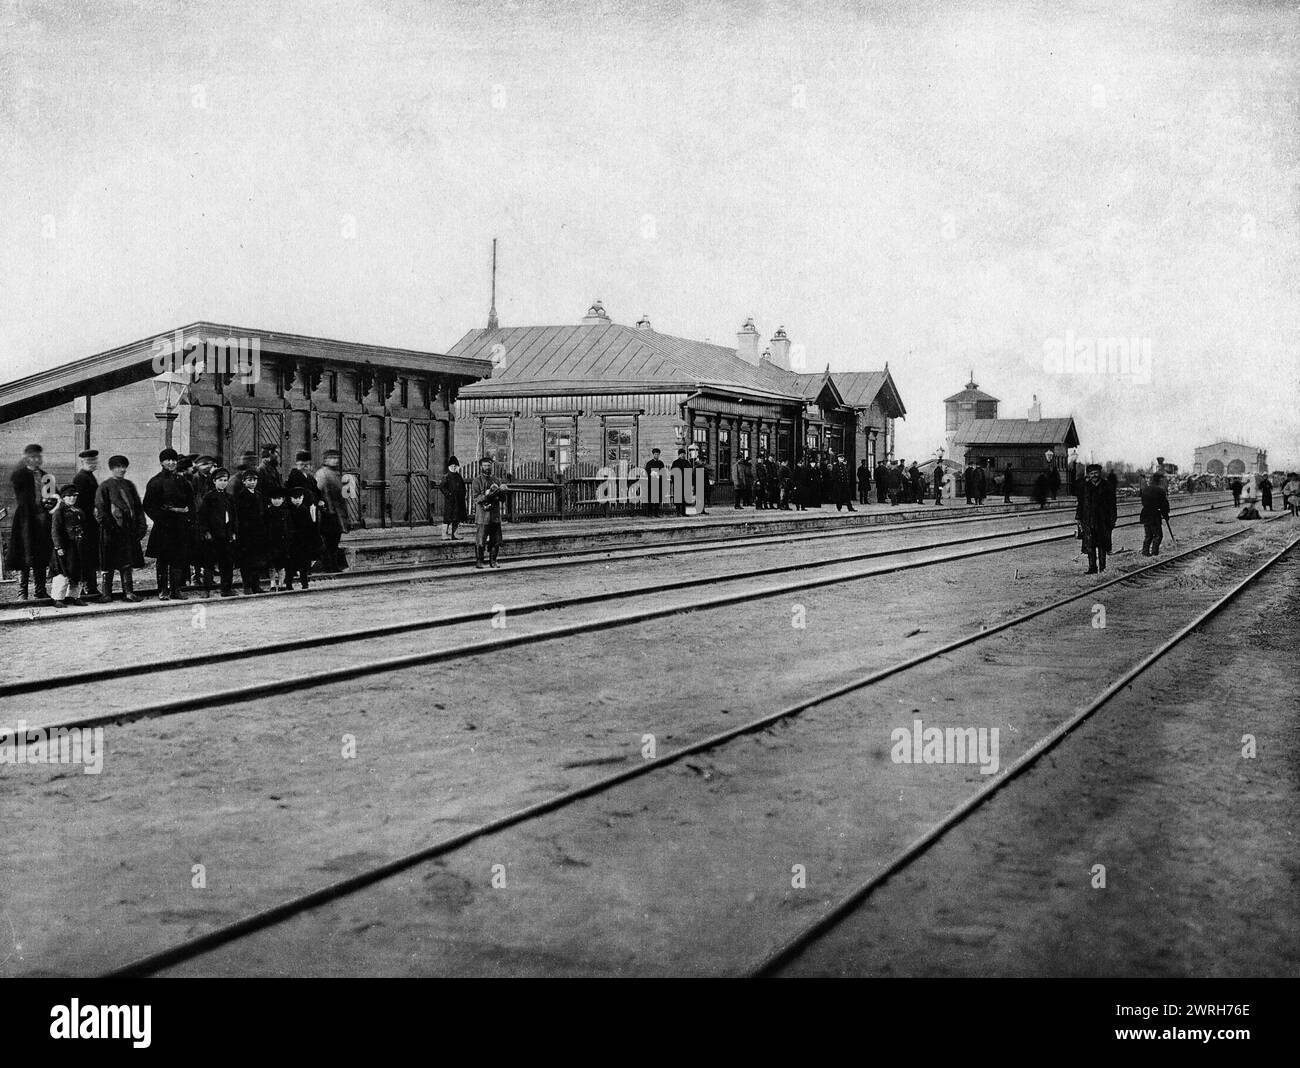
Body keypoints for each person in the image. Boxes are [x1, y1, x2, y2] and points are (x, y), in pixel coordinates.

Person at [143, 448, 196, 601]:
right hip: (163, 527)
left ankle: (176, 590)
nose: (172, 463)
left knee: (178, 558)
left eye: (174, 460)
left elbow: (191, 504)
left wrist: (188, 519)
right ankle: (163, 591)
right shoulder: (155, 482)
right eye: (168, 460)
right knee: (163, 559)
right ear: (161, 462)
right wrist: (163, 518)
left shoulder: (182, 481)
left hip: (180, 527)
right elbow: (148, 505)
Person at [93, 454, 146, 603]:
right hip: (110, 533)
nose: (122, 470)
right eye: (118, 467)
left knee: (126, 563)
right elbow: (101, 512)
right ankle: (106, 594)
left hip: (128, 532)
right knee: (108, 563)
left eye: (124, 467)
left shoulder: (129, 485)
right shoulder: (104, 486)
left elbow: (137, 508)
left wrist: (141, 527)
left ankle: (128, 593)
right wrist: (112, 528)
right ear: (111, 469)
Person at [6, 443, 51, 601]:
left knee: (41, 556)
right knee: (25, 555)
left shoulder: (47, 477)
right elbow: (22, 496)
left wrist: (49, 507)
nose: (36, 459)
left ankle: (40, 591)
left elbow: (52, 498)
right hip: (25, 521)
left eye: (38, 456)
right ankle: (22, 592)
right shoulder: (20, 475)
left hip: (43, 521)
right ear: (26, 459)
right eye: (32, 457)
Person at [196, 467, 238, 597]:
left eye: (225, 480)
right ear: (214, 481)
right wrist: (206, 532)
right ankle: (206, 589)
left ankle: (226, 589)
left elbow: (233, 516)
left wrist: (233, 531)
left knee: (227, 562)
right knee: (209, 563)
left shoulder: (229, 498)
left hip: (226, 535)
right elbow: (202, 517)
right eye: (220, 480)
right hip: (213, 536)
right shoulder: (209, 497)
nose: (223, 483)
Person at [48, 484, 91, 608]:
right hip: (65, 548)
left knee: (77, 572)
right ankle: (57, 598)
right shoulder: (59, 512)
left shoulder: (79, 512)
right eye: (69, 496)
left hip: (78, 547)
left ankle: (74, 596)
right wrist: (58, 547)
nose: (72, 499)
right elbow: (55, 531)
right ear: (63, 498)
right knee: (63, 572)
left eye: (74, 496)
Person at [1076, 463, 1117, 574]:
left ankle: (1103, 568)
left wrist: (1112, 520)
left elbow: (1113, 505)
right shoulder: (1085, 487)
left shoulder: (1107, 486)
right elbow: (1080, 503)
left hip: (1103, 520)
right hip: (1088, 520)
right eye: (1092, 473)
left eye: (1096, 473)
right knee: (1090, 545)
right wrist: (1078, 517)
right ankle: (1092, 568)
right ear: (1089, 475)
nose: (1094, 475)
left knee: (1102, 545)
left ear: (1100, 473)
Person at [71, 449, 102, 599]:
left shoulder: (89, 477)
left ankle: (91, 587)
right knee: (85, 557)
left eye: (94, 461)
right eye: (89, 462)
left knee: (91, 556)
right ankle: (86, 589)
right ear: (82, 463)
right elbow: (80, 504)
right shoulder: (81, 478)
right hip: (85, 523)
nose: (92, 464)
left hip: (91, 523)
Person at [232, 471, 268, 593]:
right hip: (246, 533)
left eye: (254, 480)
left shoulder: (258, 494)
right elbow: (240, 515)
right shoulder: (241, 495)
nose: (252, 482)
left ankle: (256, 586)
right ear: (244, 482)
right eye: (249, 480)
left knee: (256, 561)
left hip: (257, 533)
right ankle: (247, 586)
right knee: (246, 561)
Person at [315, 449, 350, 572]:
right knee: (329, 541)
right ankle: (329, 566)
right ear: (325, 460)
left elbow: (342, 495)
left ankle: (333, 565)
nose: (335, 460)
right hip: (328, 514)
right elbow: (318, 491)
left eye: (336, 458)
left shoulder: (335, 474)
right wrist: (324, 508)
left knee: (334, 540)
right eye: (332, 458)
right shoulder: (322, 474)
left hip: (336, 513)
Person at [471, 455, 506, 568]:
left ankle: (493, 561)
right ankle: (480, 561)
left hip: (495, 515)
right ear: (481, 467)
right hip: (482, 516)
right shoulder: (477, 481)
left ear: (492, 466)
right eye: (485, 465)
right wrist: (486, 495)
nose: (487, 467)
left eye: (489, 465)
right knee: (481, 540)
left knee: (496, 540)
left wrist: (502, 491)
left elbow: (503, 499)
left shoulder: (496, 480)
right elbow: (476, 498)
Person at [285, 485, 322, 589]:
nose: (297, 500)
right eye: (294, 498)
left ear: (302, 498)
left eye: (299, 498)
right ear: (291, 499)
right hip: (292, 542)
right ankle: (289, 584)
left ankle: (304, 584)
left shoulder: (306, 510)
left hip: (303, 542)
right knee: (290, 565)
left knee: (303, 565)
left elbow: (310, 527)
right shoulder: (288, 511)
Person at [264, 487, 291, 590]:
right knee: (272, 564)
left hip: (283, 541)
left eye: (279, 498)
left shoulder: (286, 512)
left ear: (283, 499)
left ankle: (281, 583)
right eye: (274, 498)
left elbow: (289, 526)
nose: (277, 501)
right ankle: (272, 583)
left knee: (282, 563)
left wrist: (288, 537)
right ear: (270, 499)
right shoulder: (268, 512)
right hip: (271, 541)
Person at [1140, 472, 1170, 555]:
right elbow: (1164, 505)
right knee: (1158, 535)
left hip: (1145, 514)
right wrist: (1166, 515)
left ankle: (1145, 552)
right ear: (1159, 481)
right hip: (1154, 515)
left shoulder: (1145, 490)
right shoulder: (1160, 491)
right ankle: (1154, 552)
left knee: (1148, 535)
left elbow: (1143, 502)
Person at [441, 456, 468, 538]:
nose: (454, 467)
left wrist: (463, 495)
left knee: (457, 518)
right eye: (452, 466)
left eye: (455, 466)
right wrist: (448, 494)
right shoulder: (446, 477)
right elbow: (442, 487)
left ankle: (454, 534)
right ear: (449, 466)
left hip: (459, 501)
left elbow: (463, 487)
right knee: (448, 518)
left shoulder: (459, 477)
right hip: (450, 501)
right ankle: (444, 534)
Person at [643, 448, 665, 516]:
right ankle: (650, 513)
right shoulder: (649, 463)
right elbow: (647, 471)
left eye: (658, 454)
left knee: (658, 498)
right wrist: (653, 474)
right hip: (651, 483)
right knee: (651, 498)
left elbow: (663, 472)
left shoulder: (661, 463)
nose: (657, 455)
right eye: (655, 454)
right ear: (653, 454)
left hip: (659, 483)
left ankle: (656, 513)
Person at [670, 448, 691, 517]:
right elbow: (672, 473)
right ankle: (678, 511)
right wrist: (673, 481)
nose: (682, 455)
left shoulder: (687, 462)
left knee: (684, 498)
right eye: (681, 454)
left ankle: (684, 512)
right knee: (678, 498)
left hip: (685, 482)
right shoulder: (675, 463)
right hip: (678, 482)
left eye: (683, 454)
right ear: (678, 455)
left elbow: (690, 472)